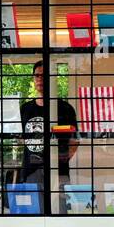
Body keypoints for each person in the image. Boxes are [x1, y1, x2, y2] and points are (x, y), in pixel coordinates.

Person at [18, 59, 78, 212]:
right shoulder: (24, 109)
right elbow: (19, 139)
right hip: (31, 171)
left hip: (58, 172)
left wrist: (60, 159)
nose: (40, 79)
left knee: (61, 214)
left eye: (44, 76)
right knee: (32, 217)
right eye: (37, 76)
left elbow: (74, 141)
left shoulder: (65, 108)